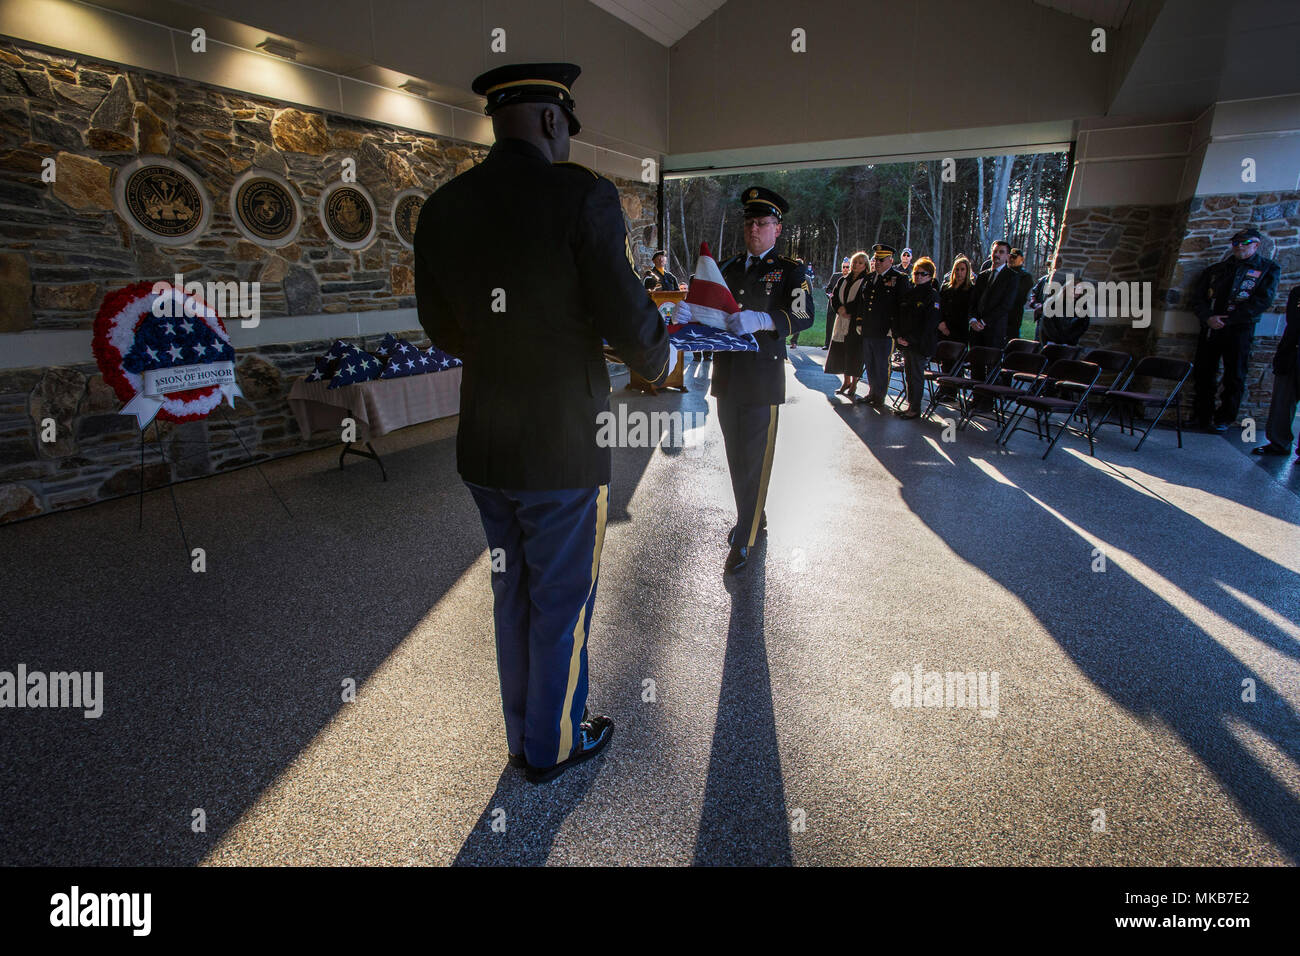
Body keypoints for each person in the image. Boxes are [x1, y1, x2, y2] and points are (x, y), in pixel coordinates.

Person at [414, 62, 675, 784]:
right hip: (562, 447)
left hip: (487, 448)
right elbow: (629, 321)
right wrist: (659, 355)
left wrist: (510, 341)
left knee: (514, 593)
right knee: (561, 603)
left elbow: (440, 328)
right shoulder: (581, 196)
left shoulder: (443, 207)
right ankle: (554, 743)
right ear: (554, 122)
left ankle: (524, 731)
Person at [673, 186, 812, 573]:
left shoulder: (791, 271)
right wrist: (689, 313)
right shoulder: (729, 267)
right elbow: (711, 316)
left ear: (777, 228)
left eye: (763, 222)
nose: (754, 228)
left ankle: (746, 535)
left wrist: (764, 319)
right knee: (737, 458)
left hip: (762, 380)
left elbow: (804, 316)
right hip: (728, 378)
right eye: (750, 222)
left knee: (756, 461)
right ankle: (754, 514)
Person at [1190, 227, 1281, 432]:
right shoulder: (1217, 269)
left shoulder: (1267, 269)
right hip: (1211, 326)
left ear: (1256, 245)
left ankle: (1224, 418)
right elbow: (1198, 298)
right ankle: (1201, 415)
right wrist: (1208, 318)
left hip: (1239, 329)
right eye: (1236, 243)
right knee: (1204, 372)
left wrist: (1228, 320)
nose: (1239, 246)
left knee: (1235, 375)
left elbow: (1262, 301)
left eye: (1245, 243)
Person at [855, 243, 908, 407]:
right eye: (876, 259)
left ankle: (879, 395)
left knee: (881, 364)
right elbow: (862, 303)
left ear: (891, 261)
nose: (877, 262)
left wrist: (896, 330)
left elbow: (902, 306)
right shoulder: (870, 278)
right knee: (870, 363)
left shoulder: (898, 279)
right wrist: (859, 321)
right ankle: (872, 392)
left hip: (885, 331)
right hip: (869, 328)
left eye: (881, 260)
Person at [1252, 285, 1300, 458]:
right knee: (1282, 401)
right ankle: (1279, 443)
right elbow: (1293, 322)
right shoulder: (1297, 292)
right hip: (1291, 353)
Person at [893, 256, 942, 418]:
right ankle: (910, 406)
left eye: (923, 274)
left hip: (920, 344)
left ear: (930, 276)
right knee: (909, 376)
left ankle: (915, 408)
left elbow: (929, 323)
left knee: (916, 376)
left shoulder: (932, 295)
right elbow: (900, 316)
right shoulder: (910, 293)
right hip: (906, 342)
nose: (919, 276)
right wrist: (899, 336)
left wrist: (911, 339)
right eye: (916, 273)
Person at [825, 251, 870, 397]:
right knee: (842, 351)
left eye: (860, 263)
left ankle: (855, 383)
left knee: (854, 352)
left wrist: (848, 309)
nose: (856, 265)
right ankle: (846, 381)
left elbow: (862, 301)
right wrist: (839, 308)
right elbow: (834, 296)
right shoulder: (843, 280)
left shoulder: (867, 281)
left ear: (865, 265)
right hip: (841, 318)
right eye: (854, 262)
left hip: (855, 321)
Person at [1028, 253, 1065, 341]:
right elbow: (1033, 295)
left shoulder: (1063, 281)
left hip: (1055, 322)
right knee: (1037, 342)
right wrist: (1036, 305)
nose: (1049, 267)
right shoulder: (1043, 280)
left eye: (1051, 264)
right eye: (1048, 264)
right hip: (1041, 319)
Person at [1006, 248, 1034, 342]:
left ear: (1021, 259)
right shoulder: (1004, 272)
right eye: (1010, 256)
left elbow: (1019, 296)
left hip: (1014, 313)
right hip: (1000, 313)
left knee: (1012, 338)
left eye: (1014, 257)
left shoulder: (1025, 276)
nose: (1011, 259)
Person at [824, 257, 851, 349]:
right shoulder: (835, 276)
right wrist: (829, 294)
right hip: (832, 304)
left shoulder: (852, 278)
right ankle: (827, 344)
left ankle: (840, 344)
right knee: (829, 324)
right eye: (844, 267)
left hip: (844, 306)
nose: (845, 269)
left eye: (847, 267)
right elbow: (828, 288)